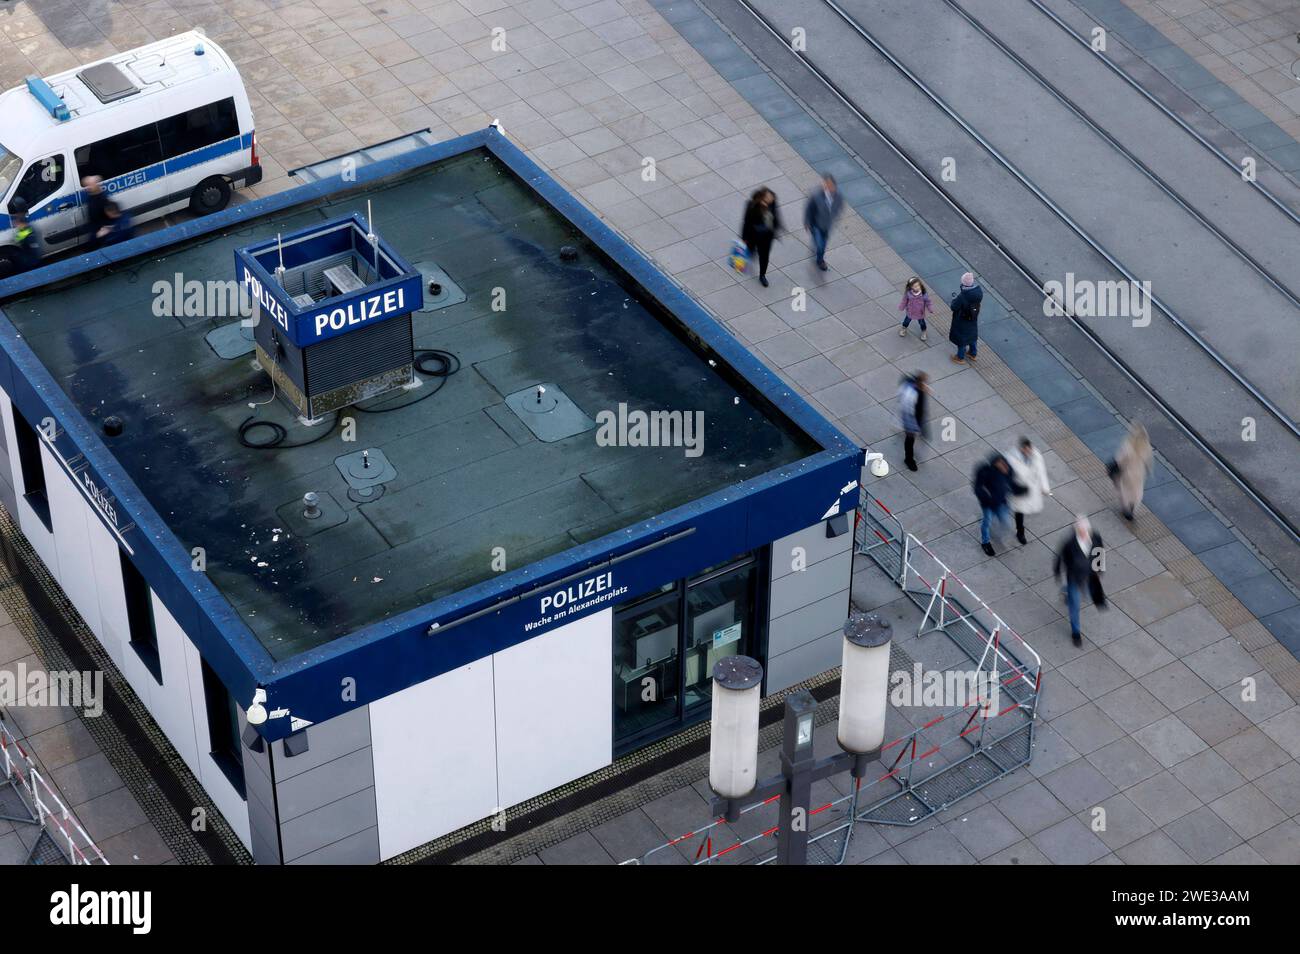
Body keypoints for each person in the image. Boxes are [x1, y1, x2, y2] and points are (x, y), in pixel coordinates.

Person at [1053, 516, 1106, 646]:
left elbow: (1100, 551)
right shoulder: (1070, 543)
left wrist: (1100, 569)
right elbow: (1060, 557)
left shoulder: (1095, 537)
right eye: (1081, 530)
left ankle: (1065, 591)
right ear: (1077, 530)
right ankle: (1076, 633)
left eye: (1085, 530)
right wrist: (1058, 572)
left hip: (1089, 576)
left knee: (1088, 596)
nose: (1083, 533)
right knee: (1075, 605)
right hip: (1074, 578)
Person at [973, 453, 1025, 556]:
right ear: (995, 464)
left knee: (1006, 523)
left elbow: (1011, 483)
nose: (1004, 467)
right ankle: (985, 543)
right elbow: (978, 488)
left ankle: (994, 533)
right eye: (1001, 464)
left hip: (1002, 503)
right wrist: (987, 499)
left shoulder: (1007, 470)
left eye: (1005, 464)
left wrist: (1021, 490)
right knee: (986, 523)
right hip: (988, 505)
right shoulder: (985, 472)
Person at [1006, 437, 1051, 545]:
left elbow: (1041, 472)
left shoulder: (1036, 456)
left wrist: (1045, 487)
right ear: (1021, 449)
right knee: (1015, 509)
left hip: (1029, 488)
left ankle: (1020, 532)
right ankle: (1019, 531)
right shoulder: (1011, 458)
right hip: (1017, 487)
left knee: (1020, 510)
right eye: (1026, 450)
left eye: (1029, 449)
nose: (1028, 452)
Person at [1110, 422, 1152, 521]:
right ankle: (1132, 506)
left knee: (1124, 490)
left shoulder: (1128, 447)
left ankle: (1126, 509)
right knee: (1136, 491)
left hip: (1127, 473)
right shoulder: (1146, 448)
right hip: (1139, 474)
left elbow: (1119, 459)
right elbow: (1148, 463)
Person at [740, 187, 781, 287]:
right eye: (770, 197)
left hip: (766, 237)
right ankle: (748, 257)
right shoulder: (752, 205)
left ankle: (762, 275)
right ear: (763, 198)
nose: (772, 198)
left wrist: (776, 229)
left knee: (764, 257)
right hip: (753, 236)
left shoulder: (773, 204)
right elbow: (746, 222)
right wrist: (744, 238)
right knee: (750, 251)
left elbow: (776, 217)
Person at [803, 173, 841, 271]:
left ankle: (818, 252)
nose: (827, 186)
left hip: (827, 225)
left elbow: (838, 208)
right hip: (815, 224)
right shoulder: (816, 196)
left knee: (823, 243)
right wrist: (807, 222)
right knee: (820, 245)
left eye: (829, 184)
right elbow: (809, 209)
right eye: (825, 184)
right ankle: (820, 260)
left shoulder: (837, 196)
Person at [897, 371, 929, 471]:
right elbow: (909, 410)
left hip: (915, 417)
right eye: (923, 382)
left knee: (912, 437)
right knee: (910, 440)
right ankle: (908, 459)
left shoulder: (916, 388)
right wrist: (913, 427)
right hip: (910, 419)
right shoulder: (912, 394)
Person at [948, 272, 983, 364]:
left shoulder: (962, 296)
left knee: (962, 339)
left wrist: (954, 300)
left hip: (962, 320)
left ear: (963, 283)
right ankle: (973, 353)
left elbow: (954, 307)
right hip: (973, 318)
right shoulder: (978, 292)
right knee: (972, 336)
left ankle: (960, 357)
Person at [897, 276, 933, 341]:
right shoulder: (908, 293)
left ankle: (924, 331)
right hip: (910, 311)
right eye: (915, 286)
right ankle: (904, 328)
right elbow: (904, 300)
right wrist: (901, 307)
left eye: (918, 285)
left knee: (922, 323)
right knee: (906, 321)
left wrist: (930, 309)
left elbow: (928, 302)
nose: (917, 287)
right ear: (911, 287)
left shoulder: (924, 294)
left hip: (920, 312)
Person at [82, 175, 110, 248]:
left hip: (101, 231)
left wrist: (103, 229)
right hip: (94, 229)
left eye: (90, 185)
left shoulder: (103, 199)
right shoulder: (91, 196)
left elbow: (108, 217)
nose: (88, 187)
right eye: (86, 185)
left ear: (96, 185)